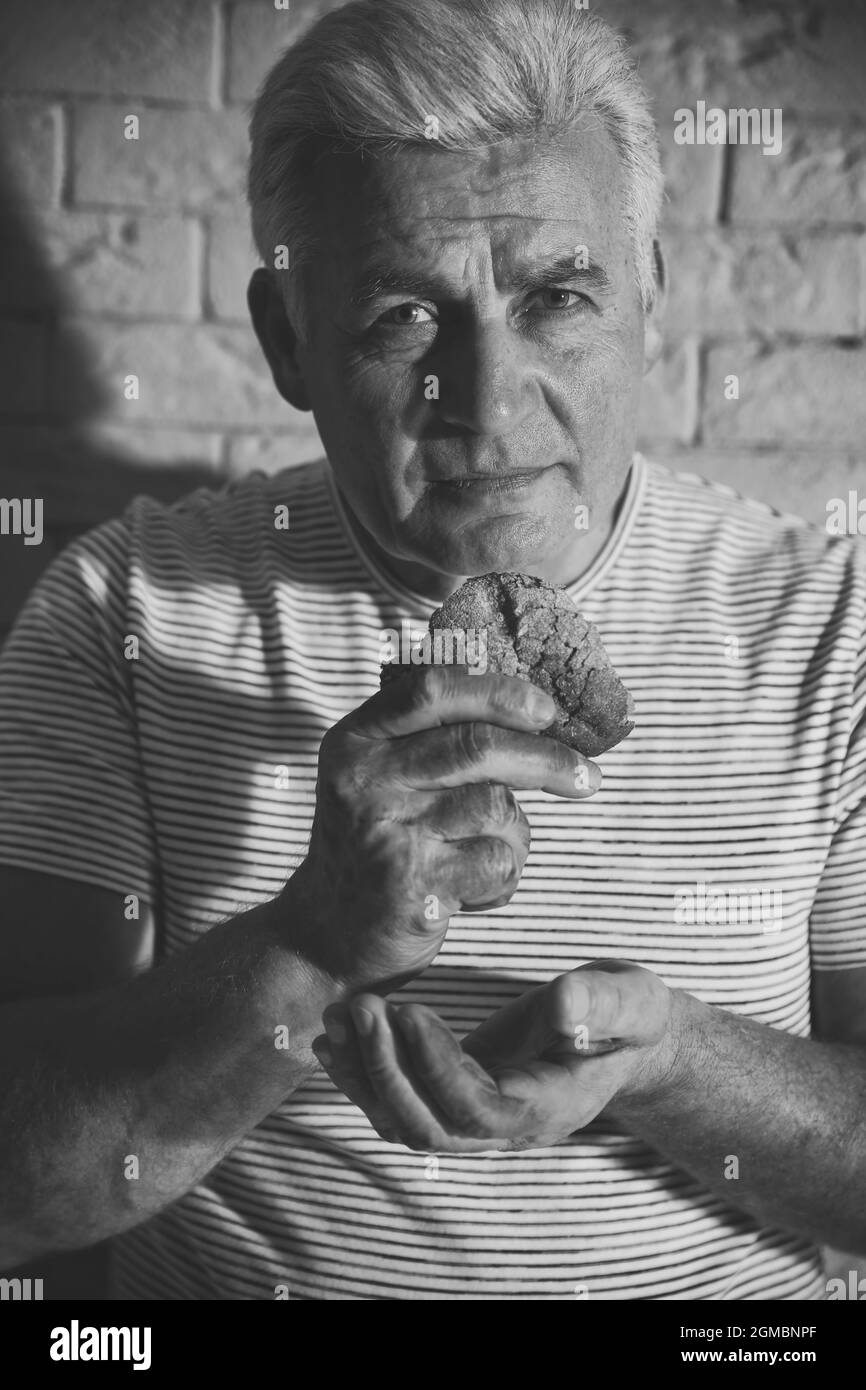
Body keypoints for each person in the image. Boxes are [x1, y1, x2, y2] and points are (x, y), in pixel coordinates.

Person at [0, 0, 864, 1301]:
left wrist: (673, 1063)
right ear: (289, 338)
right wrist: (308, 940)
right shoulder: (116, 610)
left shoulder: (828, 633)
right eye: (403, 316)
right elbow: (15, 1200)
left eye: (556, 296)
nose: (489, 398)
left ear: (648, 299)